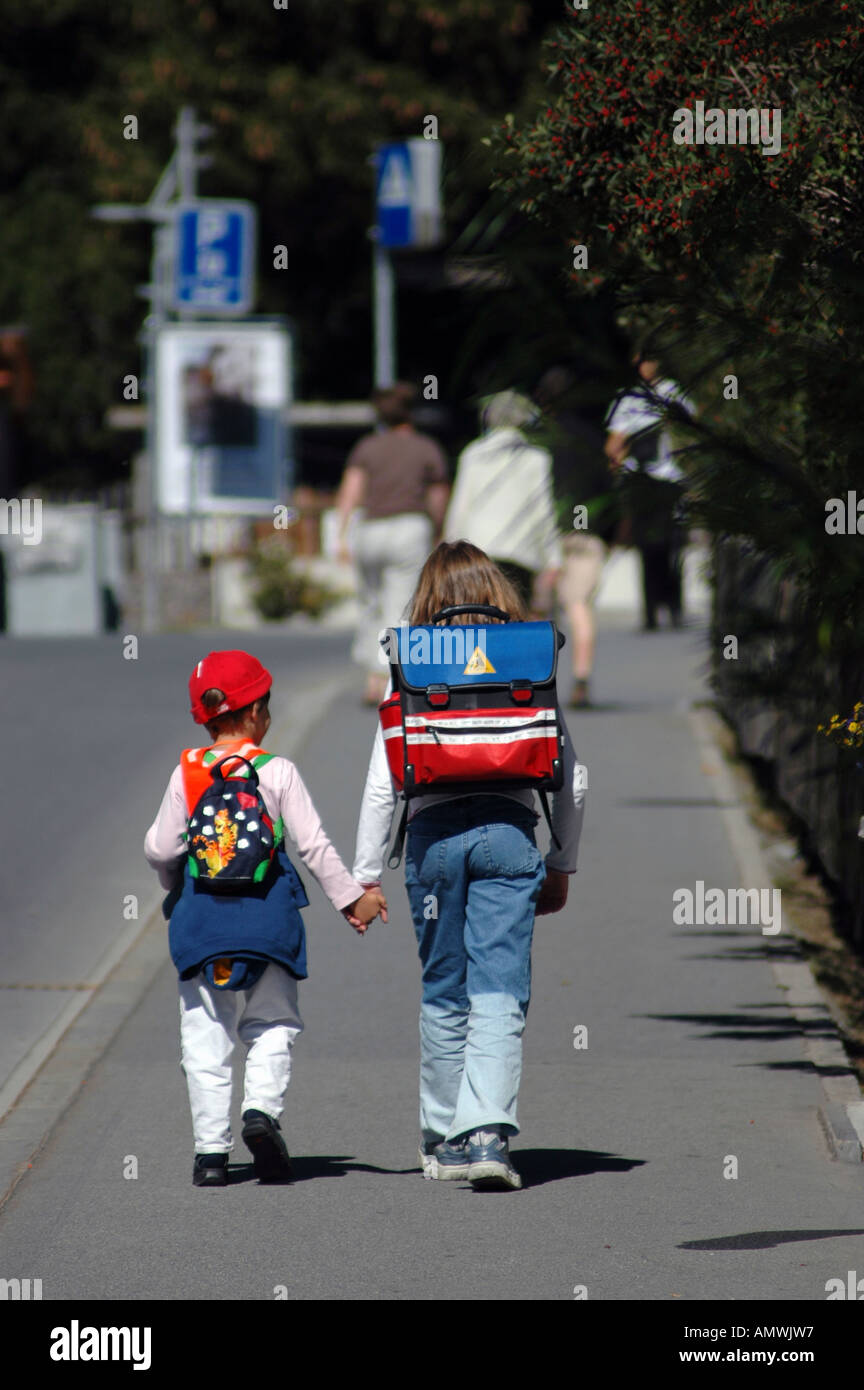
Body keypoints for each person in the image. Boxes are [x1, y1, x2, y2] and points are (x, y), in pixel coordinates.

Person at [352, 541, 585, 1191]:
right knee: (499, 990)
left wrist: (364, 876)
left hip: (432, 847)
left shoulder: (411, 666)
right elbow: (573, 777)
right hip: (509, 839)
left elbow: (383, 783)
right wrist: (561, 862)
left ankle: (443, 1138)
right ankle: (487, 1134)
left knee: (444, 988)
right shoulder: (529, 662)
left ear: (426, 601)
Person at [144, 649, 387, 1187]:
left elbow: (160, 848)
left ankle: (211, 1154)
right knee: (273, 1021)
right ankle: (260, 1111)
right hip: (268, 924)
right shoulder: (277, 771)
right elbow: (314, 847)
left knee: (205, 1035)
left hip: (201, 927)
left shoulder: (186, 772)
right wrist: (353, 901)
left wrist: (176, 886)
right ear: (255, 712)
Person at [336, 382, 450, 706]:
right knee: (399, 606)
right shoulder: (426, 448)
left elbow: (351, 491)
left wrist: (341, 535)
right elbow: (438, 496)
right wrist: (438, 530)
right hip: (410, 529)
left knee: (370, 603)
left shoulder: (366, 447)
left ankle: (371, 678)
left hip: (370, 529)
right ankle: (384, 678)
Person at [533, 367, 619, 708]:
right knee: (579, 606)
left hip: (547, 535)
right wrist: (611, 535)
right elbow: (612, 491)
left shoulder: (539, 443)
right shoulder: (594, 442)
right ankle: (581, 679)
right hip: (587, 533)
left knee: (538, 610)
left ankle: (534, 682)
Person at [443, 391, 562, 614]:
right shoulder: (536, 457)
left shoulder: (473, 453)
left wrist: (450, 547)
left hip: (478, 547)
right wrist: (552, 557)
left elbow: (461, 504)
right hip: (521, 551)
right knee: (515, 616)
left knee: (479, 616)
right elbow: (542, 509)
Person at [604, 354, 694, 631]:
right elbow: (615, 442)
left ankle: (673, 606)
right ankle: (652, 609)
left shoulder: (672, 392)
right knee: (648, 547)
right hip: (640, 481)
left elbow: (689, 430)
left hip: (668, 480)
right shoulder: (627, 398)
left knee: (671, 546)